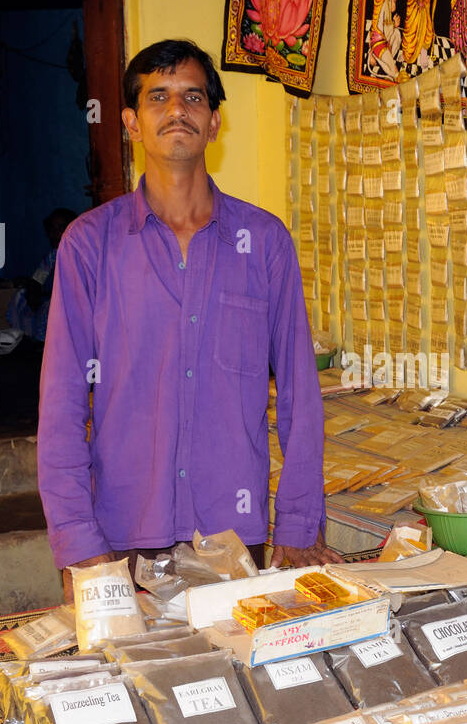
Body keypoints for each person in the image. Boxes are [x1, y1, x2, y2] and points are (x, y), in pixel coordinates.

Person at [38, 39, 340, 602]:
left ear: (214, 122)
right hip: (120, 539)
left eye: (193, 96)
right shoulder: (89, 246)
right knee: (135, 686)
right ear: (131, 122)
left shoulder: (264, 243)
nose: (177, 109)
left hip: (233, 536)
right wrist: (78, 541)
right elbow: (60, 406)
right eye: (158, 97)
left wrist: (298, 523)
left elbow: (301, 393)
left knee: (234, 686)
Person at [7, 208, 76, 343]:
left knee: (52, 309)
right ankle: (24, 337)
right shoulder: (53, 255)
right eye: (52, 229)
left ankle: (47, 345)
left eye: (61, 228)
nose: (55, 233)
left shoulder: (77, 254)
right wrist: (33, 290)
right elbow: (38, 279)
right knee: (20, 296)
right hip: (52, 300)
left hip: (72, 306)